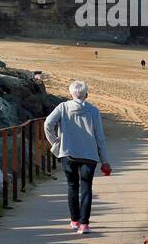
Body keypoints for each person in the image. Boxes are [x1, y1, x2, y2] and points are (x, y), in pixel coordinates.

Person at [44, 80, 111, 234]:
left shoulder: (63, 107)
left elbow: (47, 124)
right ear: (86, 94)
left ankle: (74, 221)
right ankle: (84, 224)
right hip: (89, 155)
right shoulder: (93, 111)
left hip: (68, 153)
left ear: (71, 94)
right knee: (86, 188)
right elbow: (100, 137)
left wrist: (55, 143)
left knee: (72, 186)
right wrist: (105, 160)